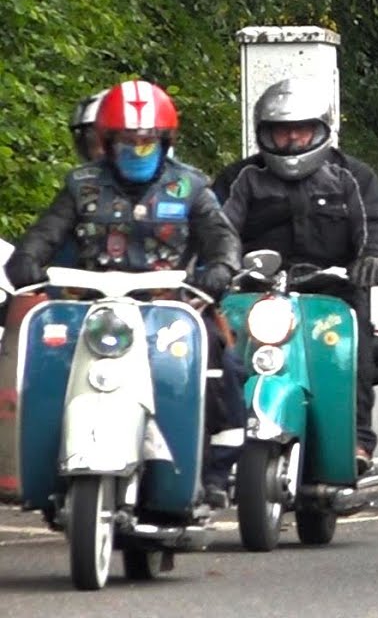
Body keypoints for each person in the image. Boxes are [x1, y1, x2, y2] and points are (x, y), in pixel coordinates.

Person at [6, 79, 245, 507]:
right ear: (107, 142)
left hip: (168, 307)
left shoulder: (191, 187)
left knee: (218, 361)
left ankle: (213, 470)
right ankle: (43, 471)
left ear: (164, 141)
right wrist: (26, 261)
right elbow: (44, 234)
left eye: (146, 141)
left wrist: (221, 269)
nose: (137, 150)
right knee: (46, 364)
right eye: (126, 142)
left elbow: (222, 239)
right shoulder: (81, 185)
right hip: (89, 307)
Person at [213, 76, 378, 474]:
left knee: (352, 349)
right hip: (254, 290)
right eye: (281, 132)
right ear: (264, 134)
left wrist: (373, 258)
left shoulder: (352, 176)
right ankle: (215, 439)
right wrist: (218, 265)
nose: (293, 141)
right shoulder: (242, 178)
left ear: (322, 130)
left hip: (331, 290)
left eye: (301, 130)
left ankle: (357, 442)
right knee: (213, 349)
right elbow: (218, 227)